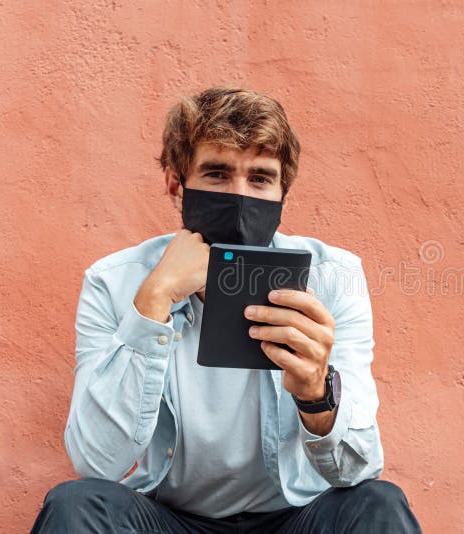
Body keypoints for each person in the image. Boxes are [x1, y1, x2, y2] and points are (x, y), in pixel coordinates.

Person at [30, 86, 422, 533]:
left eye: (259, 178)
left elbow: (358, 469)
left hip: (293, 519)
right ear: (177, 183)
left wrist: (317, 393)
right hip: (169, 520)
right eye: (217, 174)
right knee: (75, 503)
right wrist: (154, 301)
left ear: (282, 192)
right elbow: (95, 462)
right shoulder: (115, 281)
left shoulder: (332, 278)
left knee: (378, 503)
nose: (240, 197)